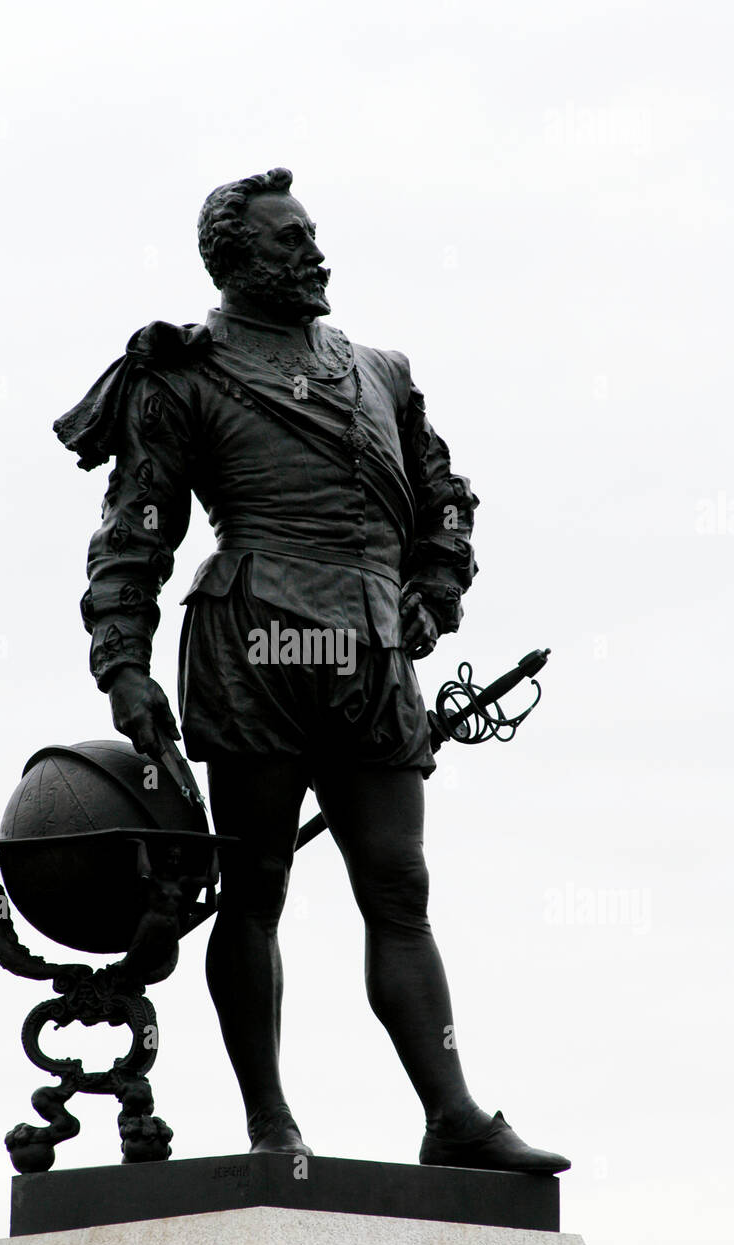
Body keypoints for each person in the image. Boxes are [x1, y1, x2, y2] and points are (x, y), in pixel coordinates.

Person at [54, 168, 570, 1173]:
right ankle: (270, 1122)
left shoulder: (382, 369)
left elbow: (445, 497)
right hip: (255, 643)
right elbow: (135, 529)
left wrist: (436, 584)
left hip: (370, 648)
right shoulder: (181, 374)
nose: (315, 253)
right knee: (256, 888)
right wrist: (124, 661)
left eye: (313, 235)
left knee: (400, 885)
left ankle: (452, 1114)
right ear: (235, 261)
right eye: (290, 242)